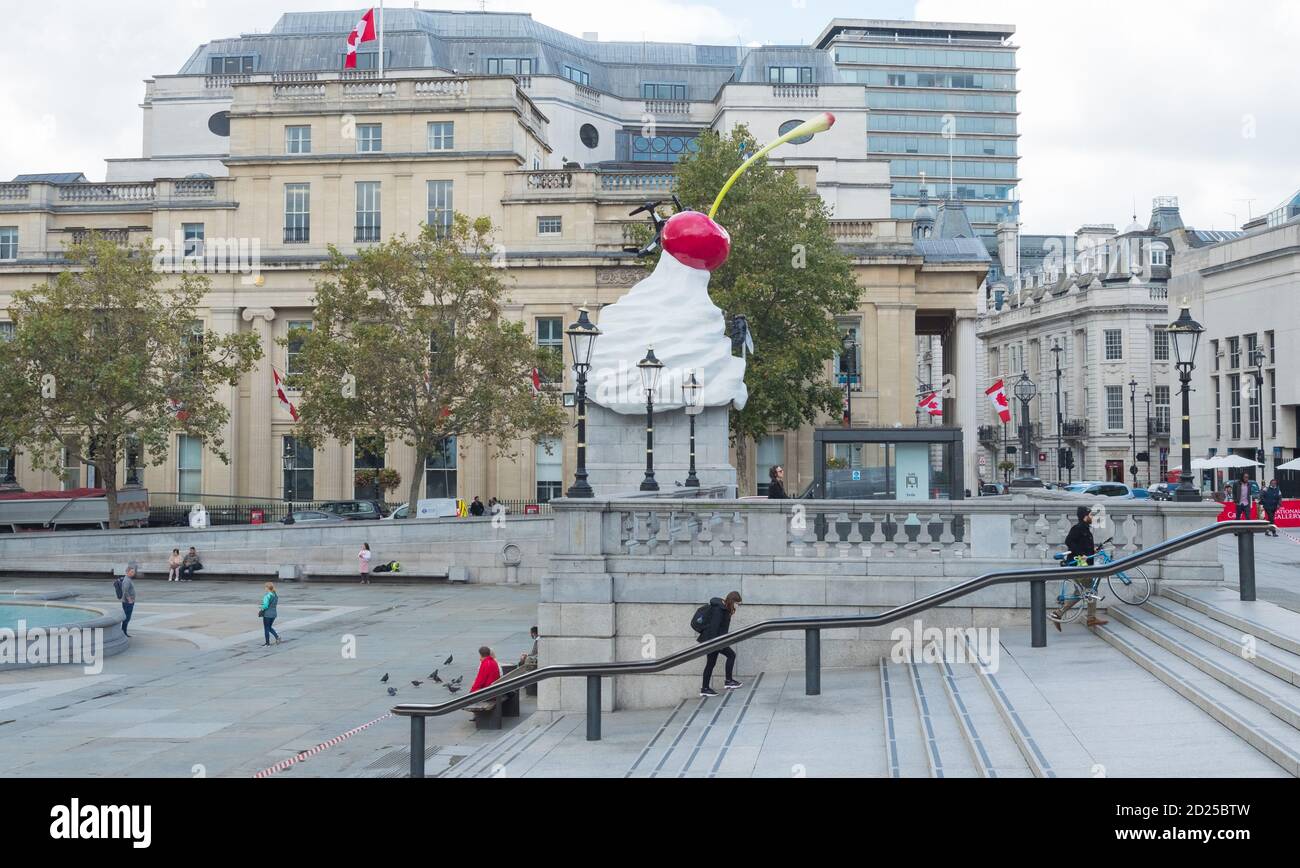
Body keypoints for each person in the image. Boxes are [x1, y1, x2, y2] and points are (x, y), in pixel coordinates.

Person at [1050, 506, 1108, 630]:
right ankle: (1091, 618)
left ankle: (1059, 613)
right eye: (1090, 515)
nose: (1092, 517)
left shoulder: (1086, 529)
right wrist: (1081, 554)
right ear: (1084, 516)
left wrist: (1093, 550)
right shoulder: (1078, 528)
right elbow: (1069, 541)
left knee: (1080, 592)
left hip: (1084, 565)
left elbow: (1083, 546)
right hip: (1079, 565)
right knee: (1090, 591)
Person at [698, 591, 743, 697]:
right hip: (714, 641)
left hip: (716, 640)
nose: (737, 606)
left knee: (711, 663)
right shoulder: (720, 609)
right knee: (731, 655)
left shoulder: (724, 608)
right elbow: (714, 627)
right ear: (733, 601)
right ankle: (728, 681)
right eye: (737, 603)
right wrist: (715, 643)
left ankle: (705, 688)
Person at [260, 582, 281, 646]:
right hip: (274, 614)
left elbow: (265, 606)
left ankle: (267, 643)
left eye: (265, 587)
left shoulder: (267, 596)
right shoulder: (275, 595)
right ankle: (277, 637)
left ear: (267, 588)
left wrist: (261, 608)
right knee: (269, 627)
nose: (264, 588)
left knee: (266, 628)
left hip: (267, 614)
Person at [119, 565, 137, 637]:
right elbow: (125, 591)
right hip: (127, 602)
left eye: (134, 572)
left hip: (129, 602)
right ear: (127, 572)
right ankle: (123, 632)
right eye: (132, 572)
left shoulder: (128, 579)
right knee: (127, 617)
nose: (133, 573)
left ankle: (124, 631)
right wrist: (129, 600)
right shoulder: (126, 580)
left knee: (127, 617)